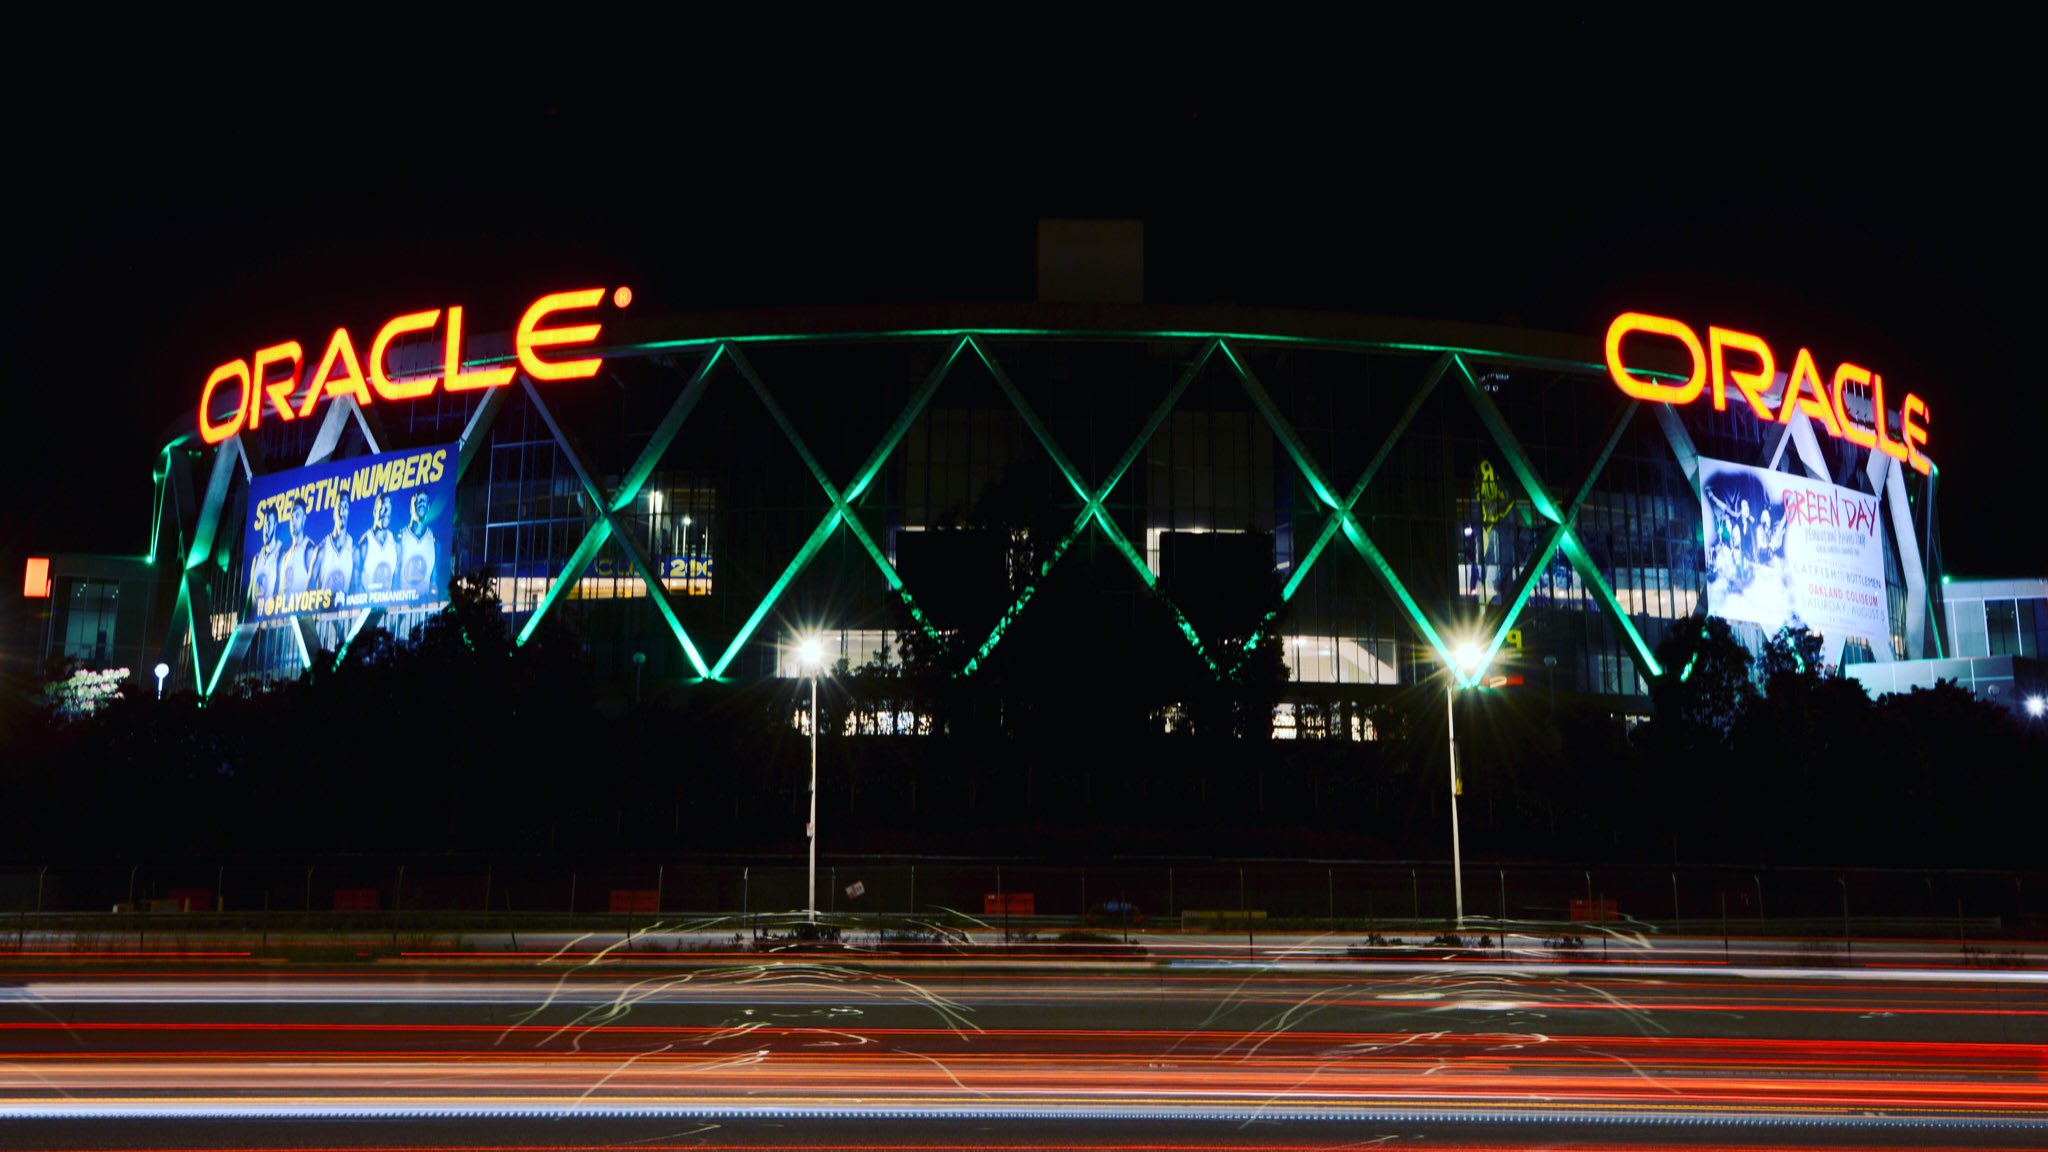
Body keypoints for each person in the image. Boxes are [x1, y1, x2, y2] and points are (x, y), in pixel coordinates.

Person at [311, 493, 357, 598]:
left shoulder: (353, 550)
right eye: (339, 507)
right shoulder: (321, 549)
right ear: (333, 513)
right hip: (323, 612)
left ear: (348, 512)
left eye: (345, 507)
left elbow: (355, 591)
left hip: (345, 613)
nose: (342, 512)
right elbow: (307, 591)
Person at [358, 493, 400, 595]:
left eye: (388, 508)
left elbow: (396, 586)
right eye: (382, 508)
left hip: (386, 608)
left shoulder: (395, 544)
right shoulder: (365, 543)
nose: (386, 512)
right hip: (366, 608)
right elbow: (354, 583)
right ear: (374, 512)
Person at [398, 491, 437, 598]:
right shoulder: (401, 537)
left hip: (423, 603)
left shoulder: (434, 540)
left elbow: (434, 579)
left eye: (424, 500)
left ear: (428, 507)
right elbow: (396, 571)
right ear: (411, 508)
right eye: (418, 500)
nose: (422, 503)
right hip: (401, 603)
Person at [277, 498, 314, 601]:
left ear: (304, 519)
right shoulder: (285, 556)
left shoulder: (309, 548)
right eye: (292, 517)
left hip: (301, 616)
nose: (293, 520)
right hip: (283, 614)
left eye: (297, 516)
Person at [247, 510, 282, 612]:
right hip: (254, 618)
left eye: (269, 524)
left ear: (275, 525)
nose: (265, 529)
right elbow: (250, 591)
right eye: (264, 525)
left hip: (270, 617)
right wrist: (244, 616)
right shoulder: (257, 557)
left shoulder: (280, 556)